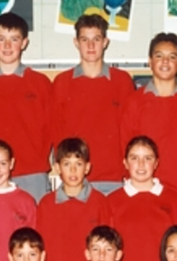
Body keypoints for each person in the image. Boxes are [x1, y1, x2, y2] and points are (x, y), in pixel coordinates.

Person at [0, 13, 52, 201]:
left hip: (32, 175)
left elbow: (50, 129)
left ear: (24, 43)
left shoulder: (40, 83)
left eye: (14, 39)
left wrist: (38, 160)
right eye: (1, 39)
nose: (7, 46)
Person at [120, 32, 177, 197]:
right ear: (149, 61)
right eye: (159, 56)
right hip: (146, 192)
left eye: (172, 57)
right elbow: (125, 146)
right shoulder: (134, 102)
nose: (165, 62)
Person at [51, 14, 135, 194]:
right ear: (76, 42)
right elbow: (56, 131)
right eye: (85, 39)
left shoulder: (121, 81)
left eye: (96, 39)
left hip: (113, 179)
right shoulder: (62, 82)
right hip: (75, 180)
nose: (90, 46)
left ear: (105, 42)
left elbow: (131, 130)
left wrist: (127, 171)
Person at [106, 136, 177, 261]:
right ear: (125, 163)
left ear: (156, 163)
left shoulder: (174, 200)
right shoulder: (112, 202)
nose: (141, 164)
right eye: (134, 158)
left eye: (147, 158)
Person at [36, 137, 113, 261]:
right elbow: (39, 246)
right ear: (57, 168)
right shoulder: (46, 204)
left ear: (87, 167)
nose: (72, 170)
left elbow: (108, 245)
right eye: (66, 164)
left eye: (78, 164)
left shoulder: (99, 202)